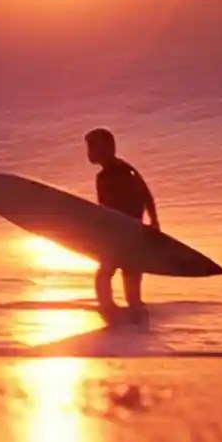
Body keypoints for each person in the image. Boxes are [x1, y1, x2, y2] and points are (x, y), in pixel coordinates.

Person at [85, 128, 158, 320]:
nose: (89, 153)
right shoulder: (101, 177)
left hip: (129, 230)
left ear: (107, 148)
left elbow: (145, 195)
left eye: (92, 148)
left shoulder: (126, 171)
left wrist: (154, 221)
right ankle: (110, 306)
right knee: (109, 271)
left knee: (126, 270)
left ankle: (133, 305)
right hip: (114, 232)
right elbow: (103, 207)